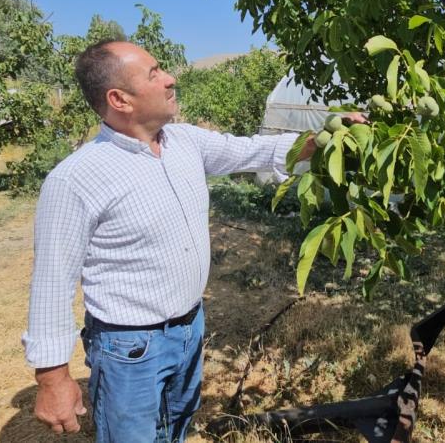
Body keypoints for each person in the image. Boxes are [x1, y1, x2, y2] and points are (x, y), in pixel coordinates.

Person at [23, 40, 357, 442]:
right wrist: (52, 377)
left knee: (176, 429)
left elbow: (255, 151)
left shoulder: (185, 142)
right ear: (119, 99)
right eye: (153, 74)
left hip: (189, 327)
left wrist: (327, 139)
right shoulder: (76, 178)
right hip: (130, 348)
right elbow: (51, 284)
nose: (170, 78)